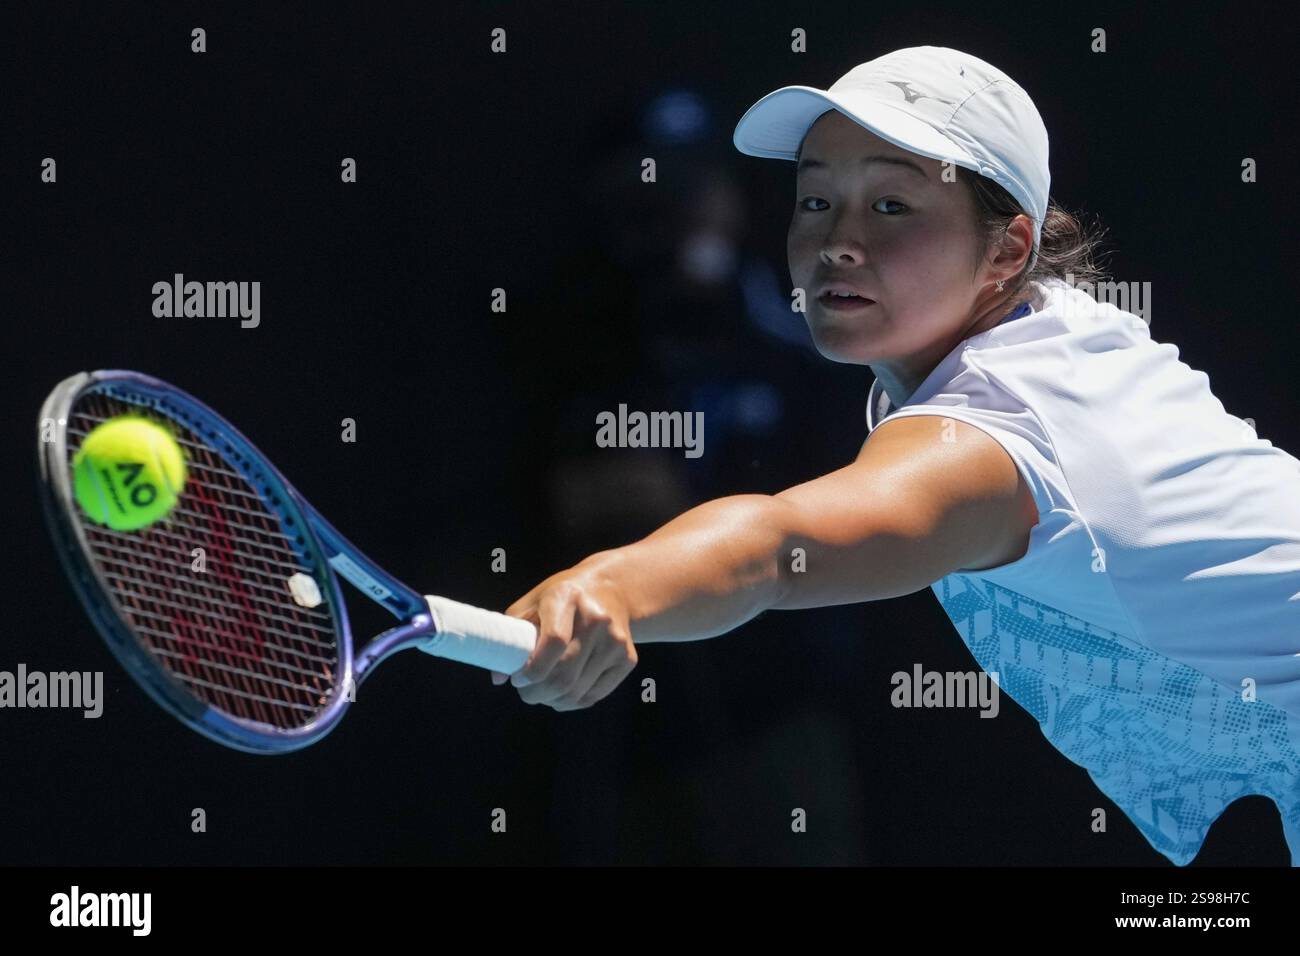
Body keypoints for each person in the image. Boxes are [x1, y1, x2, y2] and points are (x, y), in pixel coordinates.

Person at [488, 46, 1300, 866]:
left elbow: (779, 546)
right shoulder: (1033, 341)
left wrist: (615, 585)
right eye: (815, 199)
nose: (836, 242)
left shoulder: (1002, 423)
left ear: (1009, 251)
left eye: (890, 206)